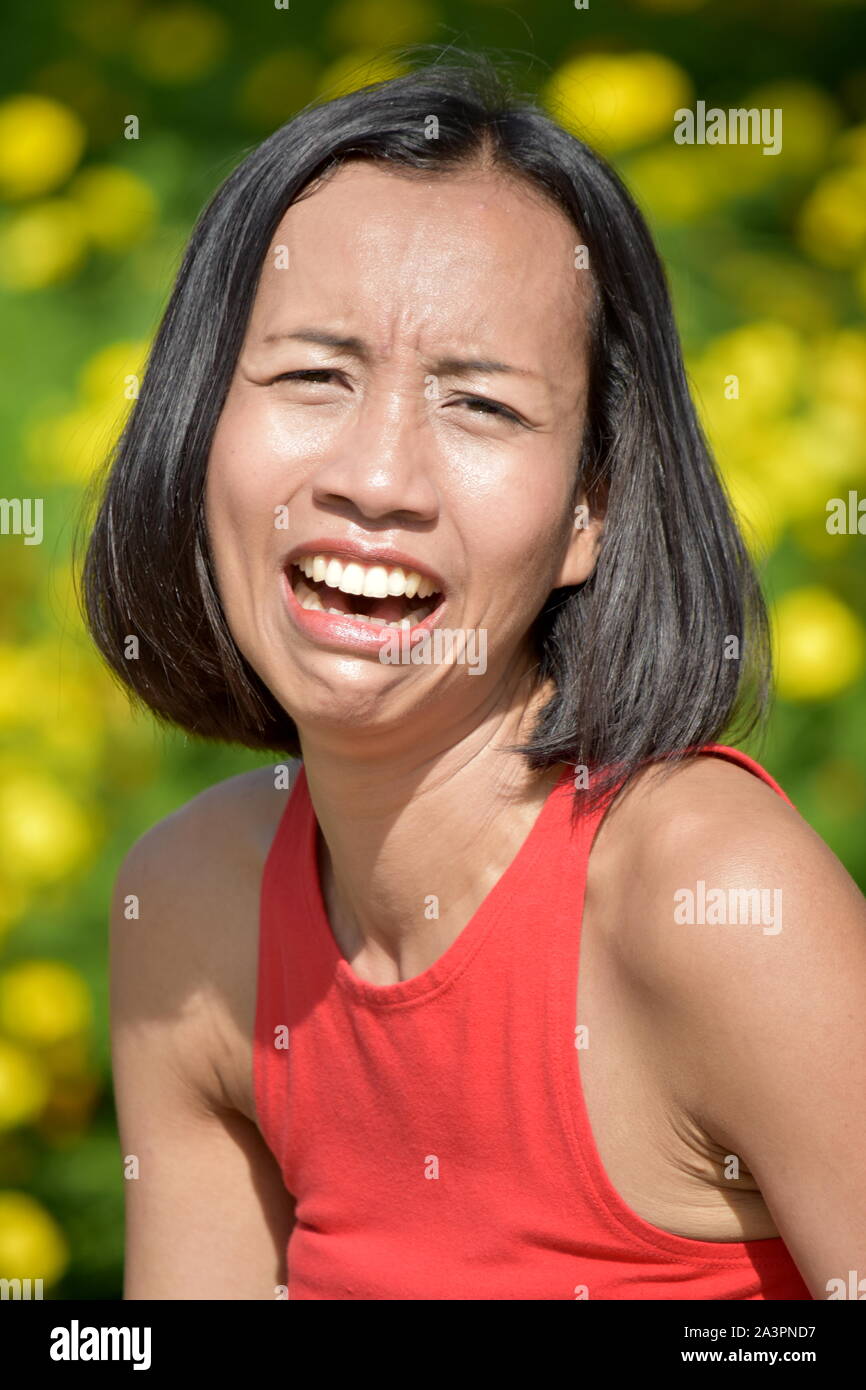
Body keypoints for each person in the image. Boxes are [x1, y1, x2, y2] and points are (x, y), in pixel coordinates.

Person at [81, 53, 866, 1300]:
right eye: (312, 375)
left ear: (587, 513)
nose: (376, 479)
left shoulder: (712, 905)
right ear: (193, 422)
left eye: (482, 407)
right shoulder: (193, 907)